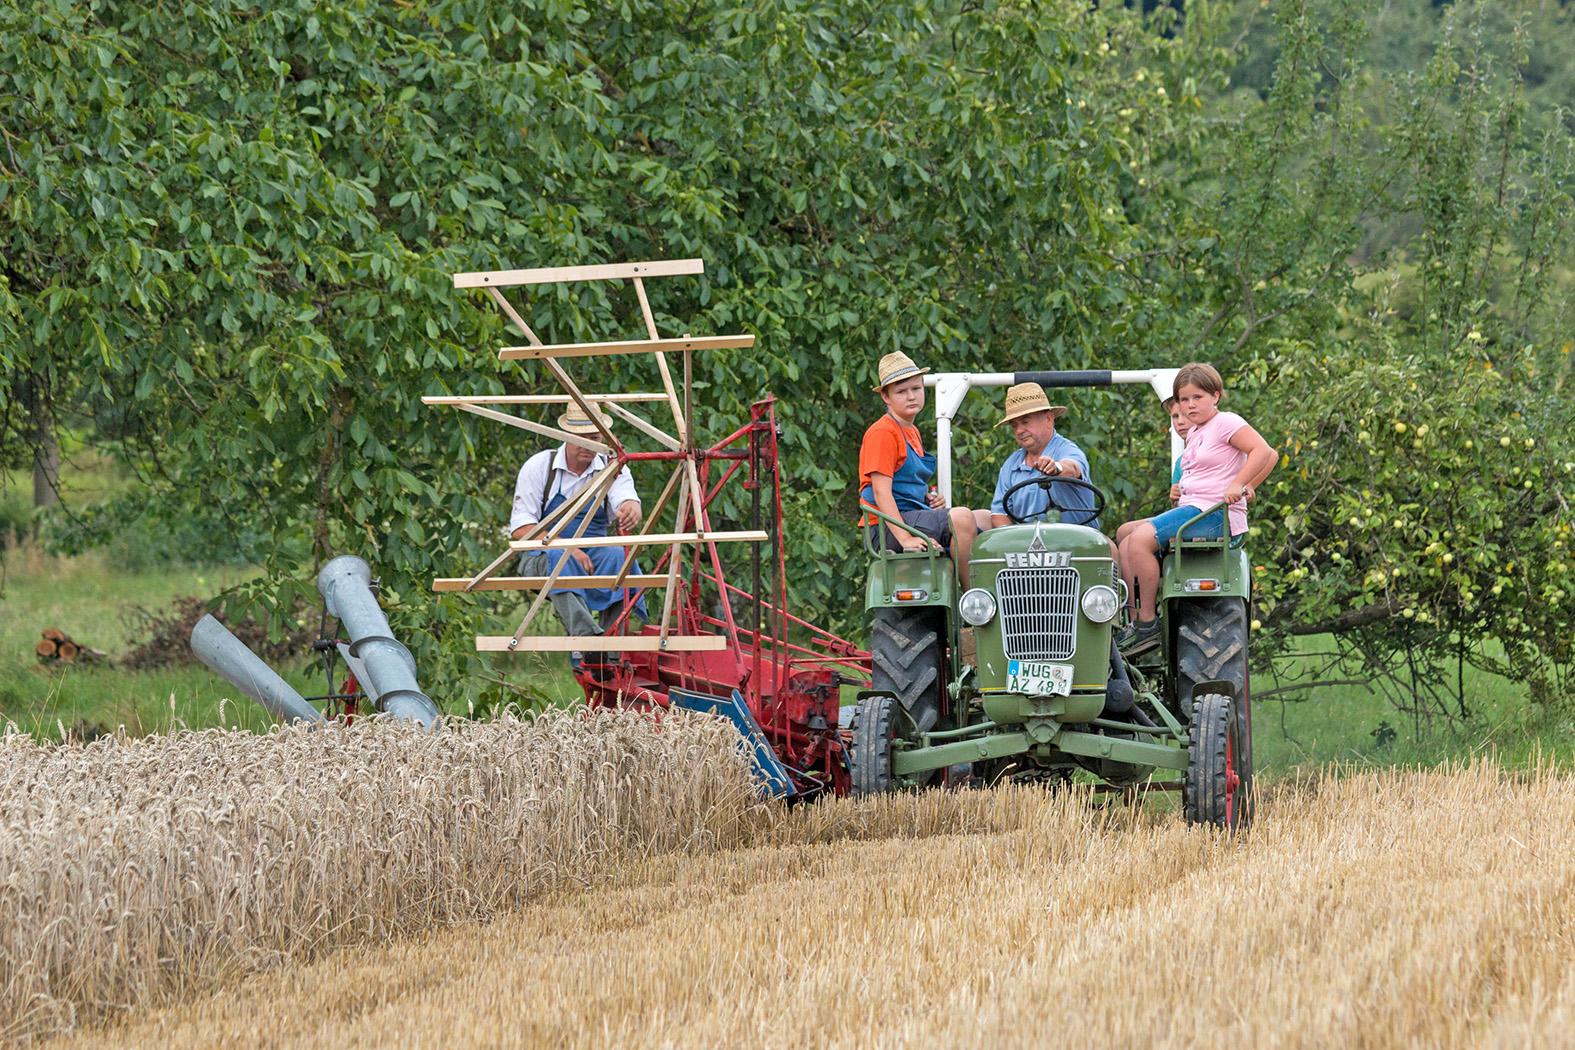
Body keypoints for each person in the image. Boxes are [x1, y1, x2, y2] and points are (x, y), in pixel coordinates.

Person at [1115, 363, 1277, 655]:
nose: (1189, 405)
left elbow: (1265, 452)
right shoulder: (1197, 432)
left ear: (1215, 395)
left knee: (1139, 543)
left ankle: (1147, 625)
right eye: (1184, 399)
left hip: (1213, 514)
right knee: (1125, 533)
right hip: (1194, 509)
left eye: (1197, 397)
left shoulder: (1226, 422)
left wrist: (1242, 484)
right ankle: (1132, 615)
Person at [509, 406, 646, 665]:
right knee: (561, 557)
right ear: (566, 435)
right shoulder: (540, 466)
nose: (587, 445)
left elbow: (625, 497)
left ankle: (613, 644)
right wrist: (567, 547)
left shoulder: (611, 467)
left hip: (592, 552)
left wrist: (631, 508)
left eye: (594, 439)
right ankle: (586, 641)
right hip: (542, 556)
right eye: (580, 438)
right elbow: (521, 530)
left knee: (620, 557)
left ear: (603, 439)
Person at [859, 351, 981, 586]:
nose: (911, 396)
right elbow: (881, 492)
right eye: (901, 392)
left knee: (986, 519)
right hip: (885, 530)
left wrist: (926, 499)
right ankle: (974, 604)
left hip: (908, 516)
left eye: (916, 388)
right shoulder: (883, 432)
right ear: (886, 396)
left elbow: (902, 486)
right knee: (963, 518)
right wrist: (905, 538)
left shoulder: (910, 430)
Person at [988, 382, 1099, 531]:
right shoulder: (1010, 465)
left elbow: (1072, 468)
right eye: (1014, 425)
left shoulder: (1067, 450)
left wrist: (1056, 468)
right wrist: (1015, 542)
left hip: (1077, 545)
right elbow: (998, 514)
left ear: (1049, 419)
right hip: (1028, 548)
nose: (1019, 430)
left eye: (1025, 422)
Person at [1115, 396, 1192, 548]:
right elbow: (1177, 505)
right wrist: (1175, 497)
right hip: (1185, 515)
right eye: (1175, 416)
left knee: (1137, 537)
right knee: (1123, 532)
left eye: (1186, 415)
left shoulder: (1214, 449)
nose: (1180, 422)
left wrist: (1247, 486)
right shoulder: (1181, 462)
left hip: (1204, 517)